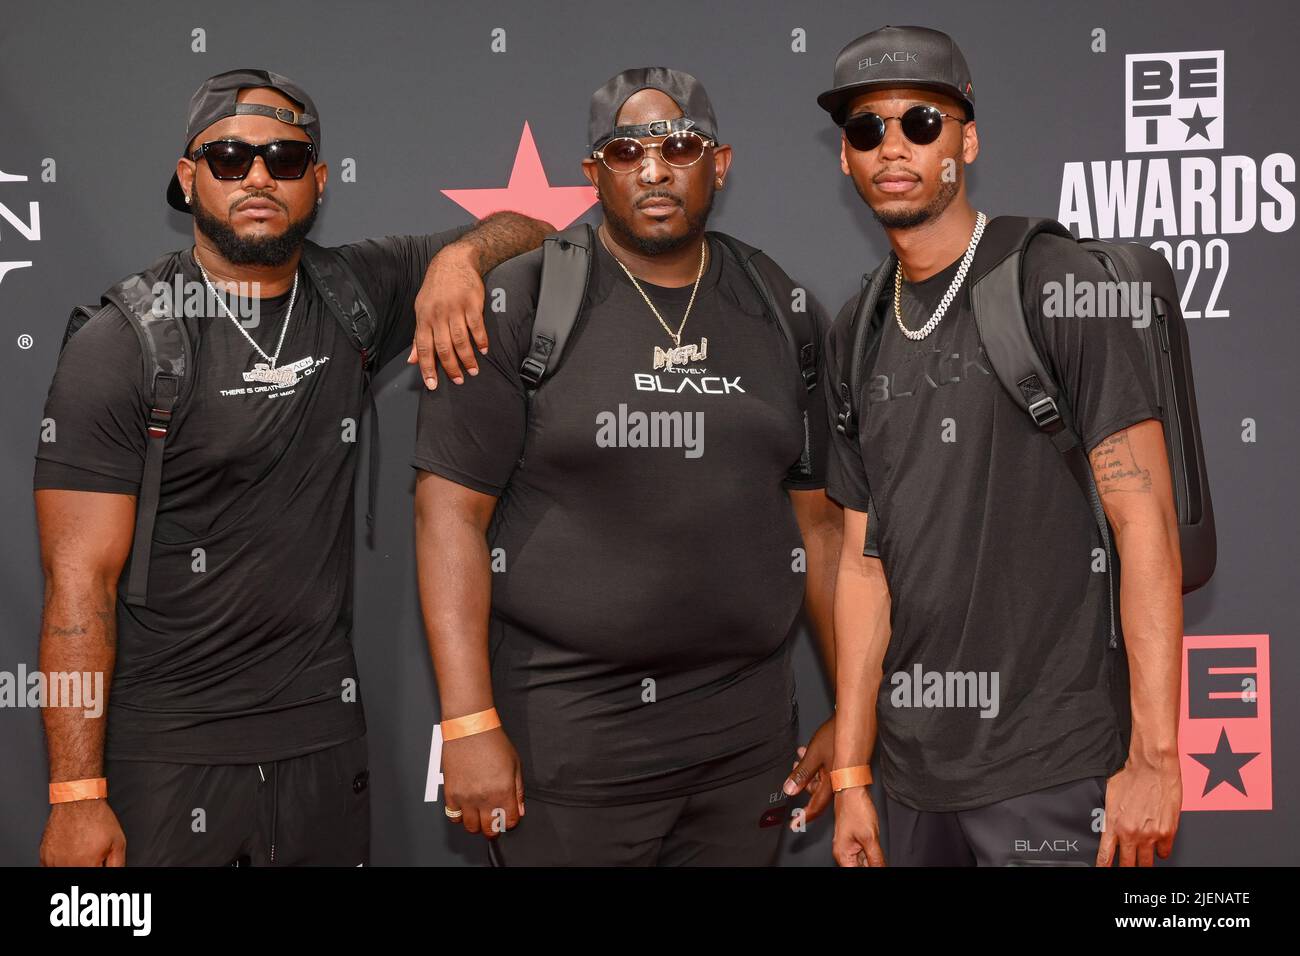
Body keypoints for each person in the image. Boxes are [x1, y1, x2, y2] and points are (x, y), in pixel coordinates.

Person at [34, 68, 552, 866]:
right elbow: (76, 589)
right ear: (187, 178)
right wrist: (75, 796)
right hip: (168, 752)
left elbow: (530, 229)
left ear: (317, 181)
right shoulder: (123, 342)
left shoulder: (354, 291)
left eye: (283, 158)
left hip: (323, 737)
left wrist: (459, 260)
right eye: (230, 159)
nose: (258, 178)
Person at [412, 67, 842, 866]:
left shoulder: (780, 308)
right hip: (571, 745)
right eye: (624, 151)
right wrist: (469, 722)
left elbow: (820, 526)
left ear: (719, 163)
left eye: (680, 146)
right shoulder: (523, 301)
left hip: (744, 745)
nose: (652, 169)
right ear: (592, 174)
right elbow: (449, 514)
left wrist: (853, 712)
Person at [817, 27, 1183, 867]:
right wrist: (851, 774)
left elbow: (1145, 521)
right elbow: (862, 566)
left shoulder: (1055, 281)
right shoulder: (858, 328)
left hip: (1051, 767)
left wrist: (1155, 760)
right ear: (845, 158)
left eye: (921, 121)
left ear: (967, 140)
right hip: (910, 780)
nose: (893, 146)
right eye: (866, 129)